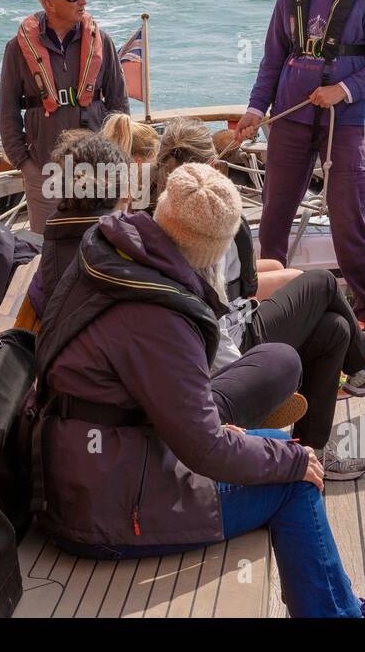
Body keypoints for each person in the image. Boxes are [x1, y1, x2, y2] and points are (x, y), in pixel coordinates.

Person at [32, 163, 365, 617]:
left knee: (285, 449)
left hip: (84, 472)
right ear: (215, 252)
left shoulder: (109, 253)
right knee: (294, 478)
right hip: (107, 511)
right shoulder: (162, 317)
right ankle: (336, 612)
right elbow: (204, 448)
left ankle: (336, 598)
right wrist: (286, 460)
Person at [154, 117, 365, 481]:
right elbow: (212, 318)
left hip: (227, 334)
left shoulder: (166, 217)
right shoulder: (212, 223)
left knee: (334, 328)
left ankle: (314, 450)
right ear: (213, 167)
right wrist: (247, 374)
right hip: (233, 347)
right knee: (321, 283)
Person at [28, 133, 301, 431]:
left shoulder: (57, 247)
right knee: (282, 360)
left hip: (97, 394)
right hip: (150, 413)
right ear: (121, 190)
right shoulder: (117, 254)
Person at [236, 0, 365, 348]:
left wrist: (344, 89)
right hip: (291, 115)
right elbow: (272, 58)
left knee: (348, 214)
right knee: (274, 214)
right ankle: (265, 309)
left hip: (342, 121)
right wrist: (255, 109)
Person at [0, 0, 130, 232]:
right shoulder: (17, 48)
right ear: (49, 4)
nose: (83, 1)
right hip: (43, 165)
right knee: (48, 243)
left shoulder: (102, 41)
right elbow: (8, 110)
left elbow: (120, 105)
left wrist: (118, 157)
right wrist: (25, 164)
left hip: (98, 165)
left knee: (101, 236)